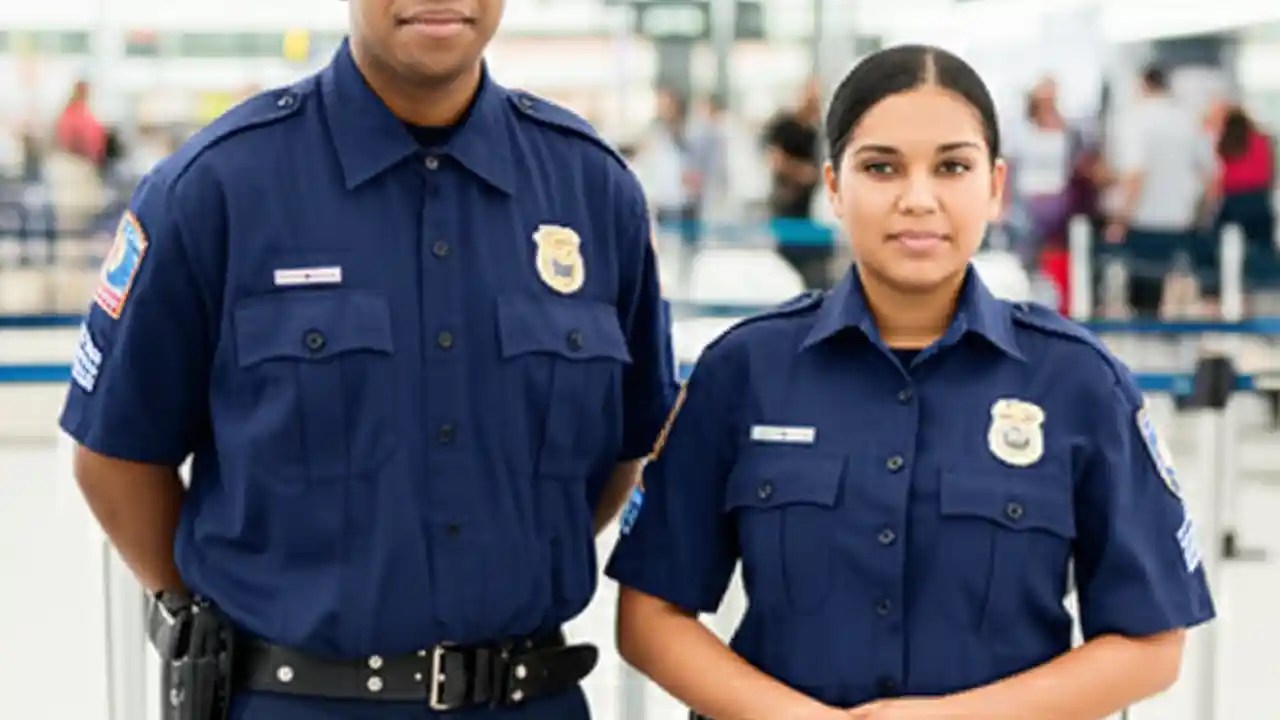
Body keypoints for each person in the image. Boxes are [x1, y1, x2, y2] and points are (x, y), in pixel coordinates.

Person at [60, 1, 676, 718]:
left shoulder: (592, 191)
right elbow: (116, 457)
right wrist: (227, 611)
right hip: (292, 700)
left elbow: (626, 448)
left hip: (529, 698)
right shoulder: (217, 188)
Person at [606, 44, 1214, 719]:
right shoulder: (744, 371)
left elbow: (1151, 641)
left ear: (995, 186)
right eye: (881, 167)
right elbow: (650, 615)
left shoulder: (1078, 383)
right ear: (834, 186)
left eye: (952, 166)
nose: (917, 198)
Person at [1102, 64, 1219, 317]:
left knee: (1144, 300)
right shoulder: (1188, 119)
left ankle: (1146, 349)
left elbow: (1135, 175)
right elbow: (1211, 175)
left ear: (1144, 84)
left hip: (1145, 221)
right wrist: (1202, 215)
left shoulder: (1136, 120)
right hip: (1183, 222)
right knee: (1185, 294)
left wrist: (1119, 220)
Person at [762, 77, 828, 289]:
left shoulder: (815, 133)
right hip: (786, 207)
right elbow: (776, 161)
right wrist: (802, 172)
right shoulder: (783, 126)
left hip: (809, 211)